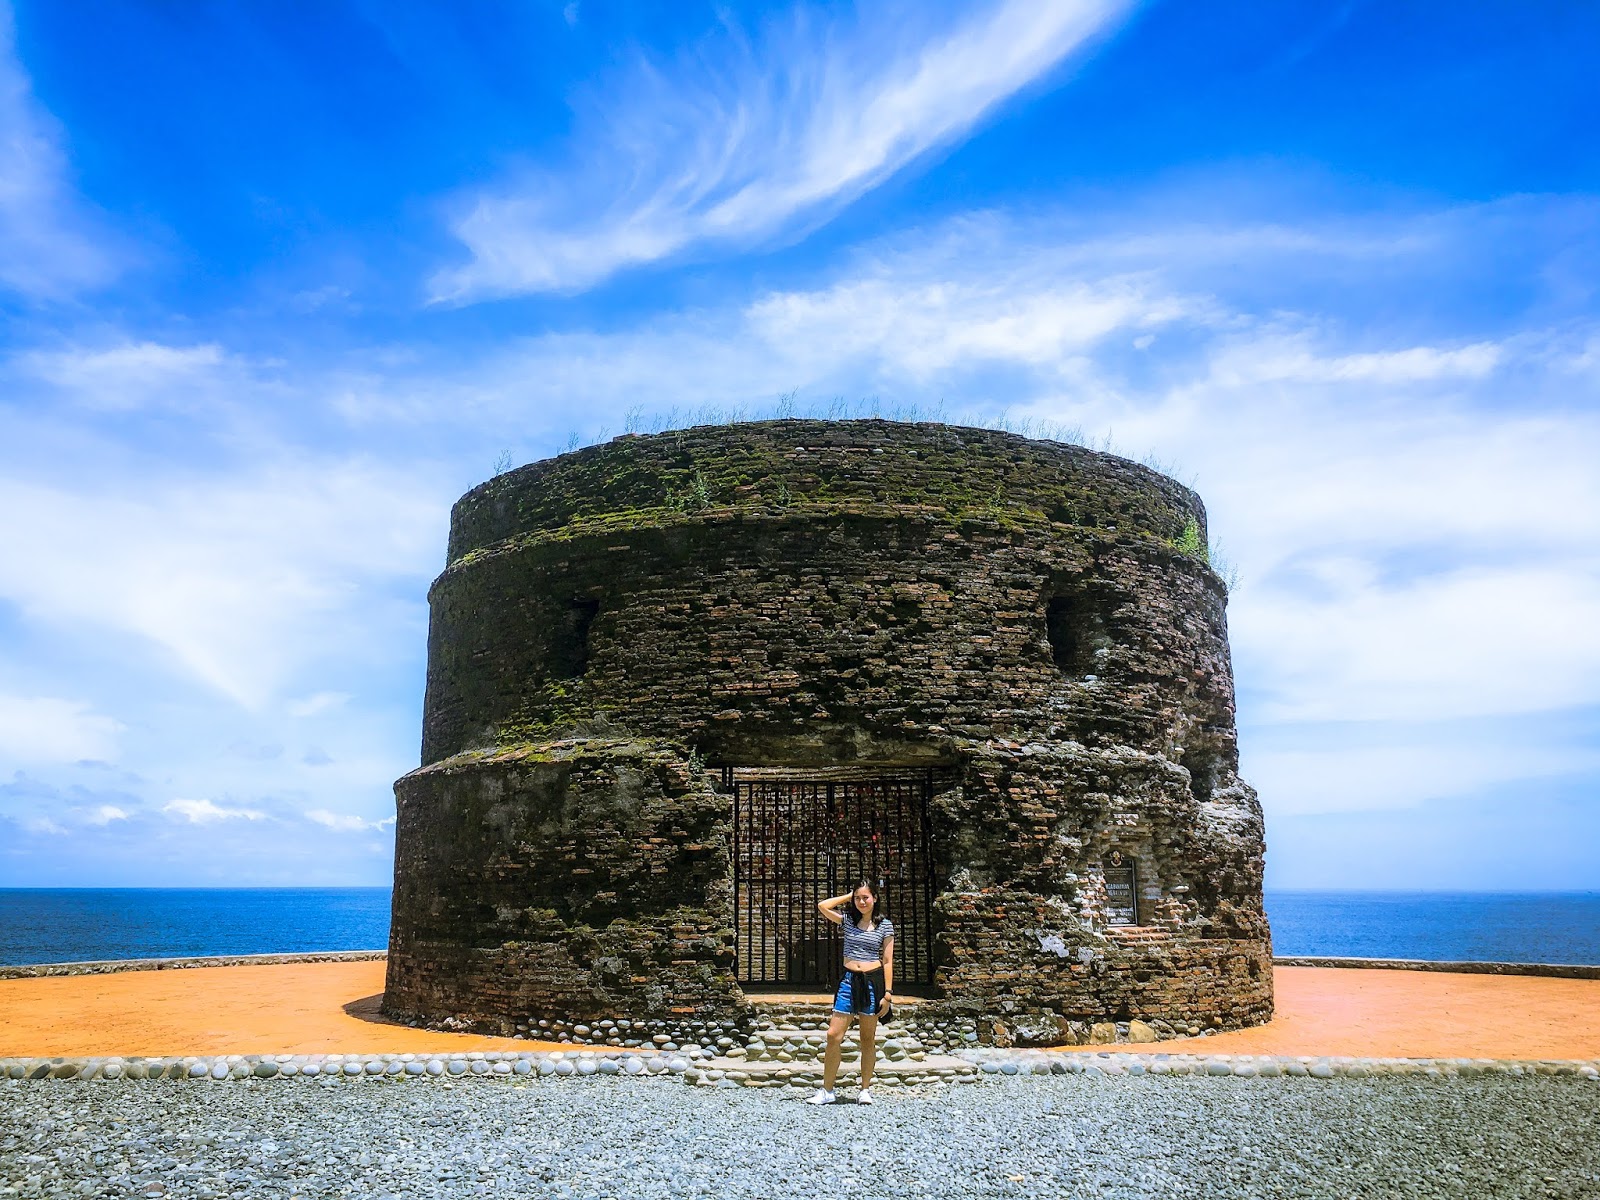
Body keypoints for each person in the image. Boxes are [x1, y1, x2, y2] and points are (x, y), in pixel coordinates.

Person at [807, 879, 894, 1105]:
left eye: (866, 897)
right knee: (833, 1035)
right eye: (858, 898)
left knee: (867, 1038)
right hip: (848, 981)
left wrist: (888, 993)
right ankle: (827, 1090)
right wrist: (848, 895)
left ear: (875, 898)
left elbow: (887, 960)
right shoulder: (847, 921)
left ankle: (865, 1089)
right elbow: (823, 906)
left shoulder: (885, 925)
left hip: (872, 982)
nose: (862, 902)